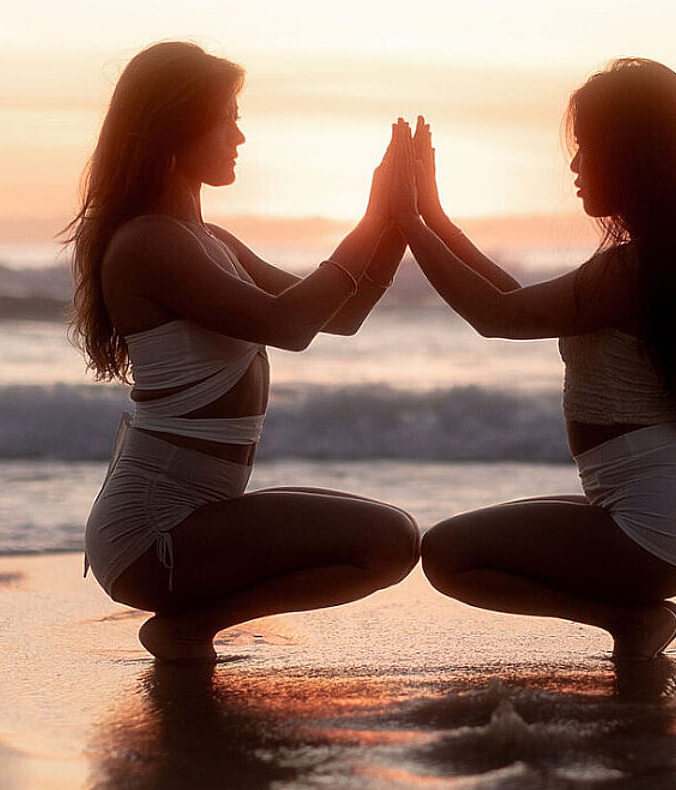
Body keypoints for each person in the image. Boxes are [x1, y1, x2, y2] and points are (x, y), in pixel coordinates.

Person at [65, 42, 419, 663]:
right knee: (388, 540)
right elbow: (290, 325)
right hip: (155, 534)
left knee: (391, 536)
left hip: (197, 519)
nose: (240, 135)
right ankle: (191, 627)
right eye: (227, 116)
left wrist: (398, 220)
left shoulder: (207, 240)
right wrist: (371, 218)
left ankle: (191, 625)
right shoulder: (149, 244)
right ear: (178, 123)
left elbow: (344, 315)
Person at [386, 57, 676, 660]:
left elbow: (497, 318)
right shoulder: (654, 259)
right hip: (664, 509)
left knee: (449, 556)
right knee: (460, 543)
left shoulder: (634, 268)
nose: (575, 166)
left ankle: (627, 621)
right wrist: (433, 216)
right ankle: (633, 619)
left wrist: (407, 223)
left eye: (587, 147)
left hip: (655, 522)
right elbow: (513, 301)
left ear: (634, 154)